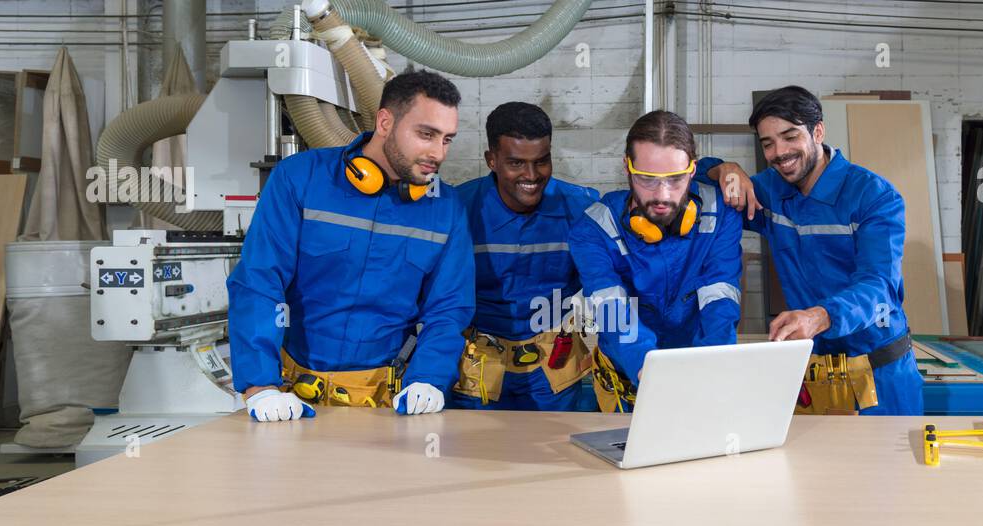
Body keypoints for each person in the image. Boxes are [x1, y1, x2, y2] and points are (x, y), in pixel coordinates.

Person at [228, 70, 474, 420]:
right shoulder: (300, 178)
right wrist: (260, 386)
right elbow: (258, 281)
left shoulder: (445, 208)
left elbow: (448, 309)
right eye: (426, 135)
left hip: (386, 406)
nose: (438, 153)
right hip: (290, 399)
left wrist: (430, 379)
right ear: (385, 122)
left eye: (447, 139)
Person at [697, 86, 922, 415]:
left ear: (818, 131)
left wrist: (821, 316)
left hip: (880, 377)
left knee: (888, 467)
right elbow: (689, 176)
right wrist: (724, 168)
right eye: (768, 143)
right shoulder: (770, 192)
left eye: (790, 137)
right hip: (812, 375)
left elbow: (879, 289)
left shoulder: (874, 197)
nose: (779, 153)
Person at [567, 110, 743, 412]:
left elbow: (720, 300)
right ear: (627, 167)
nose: (662, 195)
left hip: (698, 376)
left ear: (693, 170)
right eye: (647, 179)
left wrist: (713, 367)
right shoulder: (594, 228)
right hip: (628, 379)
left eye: (675, 180)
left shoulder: (721, 213)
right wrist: (649, 371)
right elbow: (613, 313)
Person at [450, 102, 600, 411]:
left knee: (556, 455)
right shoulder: (458, 210)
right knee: (474, 456)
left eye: (541, 161)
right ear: (492, 160)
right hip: (477, 369)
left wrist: (711, 169)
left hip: (554, 369)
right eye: (516, 163)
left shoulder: (580, 207)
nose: (531, 175)